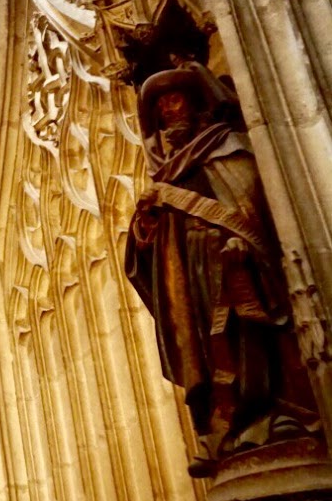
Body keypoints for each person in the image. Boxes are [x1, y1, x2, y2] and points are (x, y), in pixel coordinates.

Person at [125, 63, 319, 472]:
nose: (168, 112)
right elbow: (153, 246)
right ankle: (226, 428)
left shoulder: (228, 147)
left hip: (235, 261)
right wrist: (146, 227)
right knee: (205, 345)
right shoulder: (171, 170)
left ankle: (276, 415)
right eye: (160, 107)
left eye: (174, 100)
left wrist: (242, 240)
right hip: (189, 272)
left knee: (247, 335)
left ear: (195, 103)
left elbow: (252, 199)